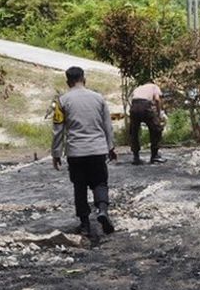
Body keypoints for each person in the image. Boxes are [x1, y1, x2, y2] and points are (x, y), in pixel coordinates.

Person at [51, 66, 117, 247]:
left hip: (76, 152)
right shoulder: (98, 98)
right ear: (84, 79)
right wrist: (111, 147)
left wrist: (56, 153)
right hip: (97, 149)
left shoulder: (62, 101)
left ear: (68, 82)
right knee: (100, 182)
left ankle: (85, 224)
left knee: (79, 187)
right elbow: (107, 126)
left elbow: (58, 130)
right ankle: (102, 210)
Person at [128, 81, 166, 165]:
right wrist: (159, 113)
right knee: (156, 129)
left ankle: (136, 157)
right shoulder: (154, 86)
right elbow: (157, 99)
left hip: (134, 106)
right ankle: (154, 156)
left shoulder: (138, 88)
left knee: (134, 131)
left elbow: (133, 100)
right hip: (145, 105)